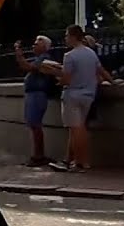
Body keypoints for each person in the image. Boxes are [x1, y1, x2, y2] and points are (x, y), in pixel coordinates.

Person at [47, 25, 110, 172]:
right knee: (78, 128)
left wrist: (57, 77)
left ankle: (81, 162)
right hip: (89, 95)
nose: (65, 38)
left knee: (77, 130)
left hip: (73, 95)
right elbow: (101, 71)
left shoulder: (69, 56)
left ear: (74, 36)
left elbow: (67, 79)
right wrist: (113, 82)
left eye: (67, 35)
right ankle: (70, 160)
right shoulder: (91, 53)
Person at [15, 35, 57, 166]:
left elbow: (29, 67)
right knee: (33, 125)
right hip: (33, 94)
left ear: (45, 46)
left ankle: (39, 156)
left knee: (35, 125)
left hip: (38, 94)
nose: (34, 45)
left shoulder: (45, 59)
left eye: (37, 43)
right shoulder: (39, 59)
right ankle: (36, 155)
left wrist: (19, 55)